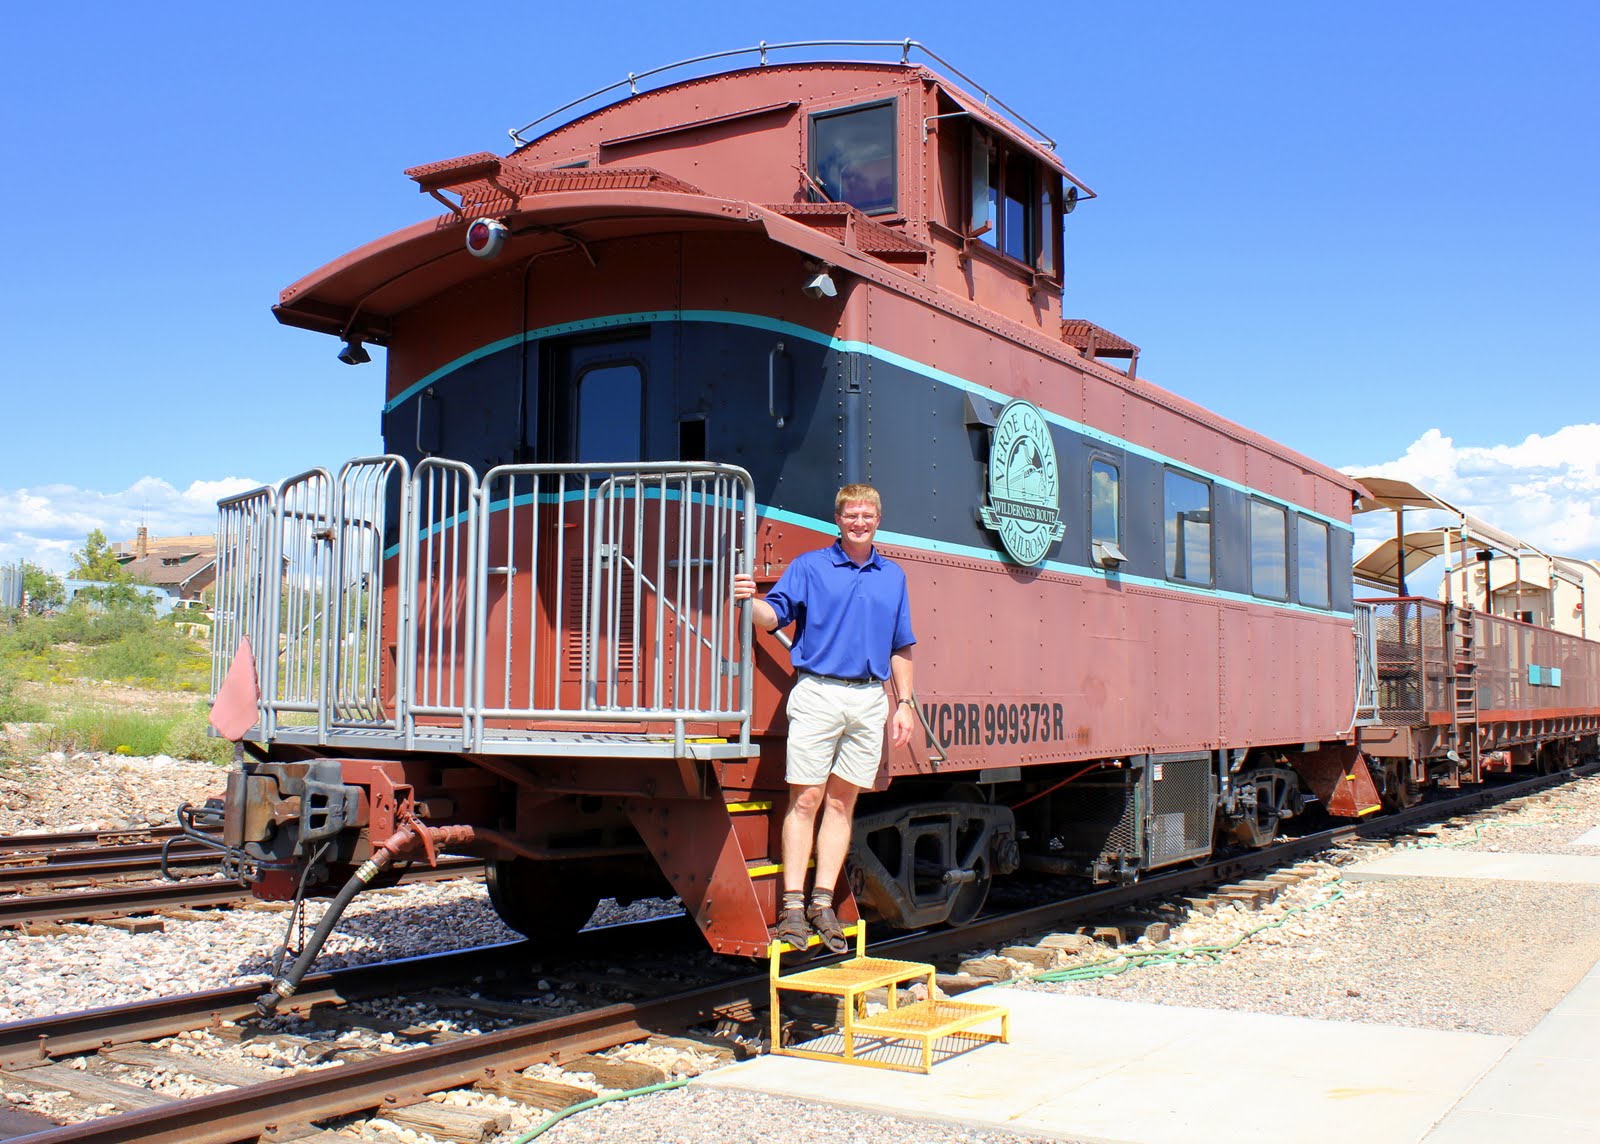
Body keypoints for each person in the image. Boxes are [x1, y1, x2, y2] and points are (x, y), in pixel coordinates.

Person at [732, 484, 916, 953]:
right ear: (838, 519)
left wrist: (906, 703)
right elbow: (772, 617)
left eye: (867, 514)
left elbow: (901, 645)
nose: (859, 521)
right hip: (818, 692)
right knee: (807, 796)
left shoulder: (892, 576)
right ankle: (793, 906)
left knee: (841, 802)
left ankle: (822, 903)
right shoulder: (810, 567)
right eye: (851, 514)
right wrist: (744, 601)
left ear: (878, 519)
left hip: (869, 698)